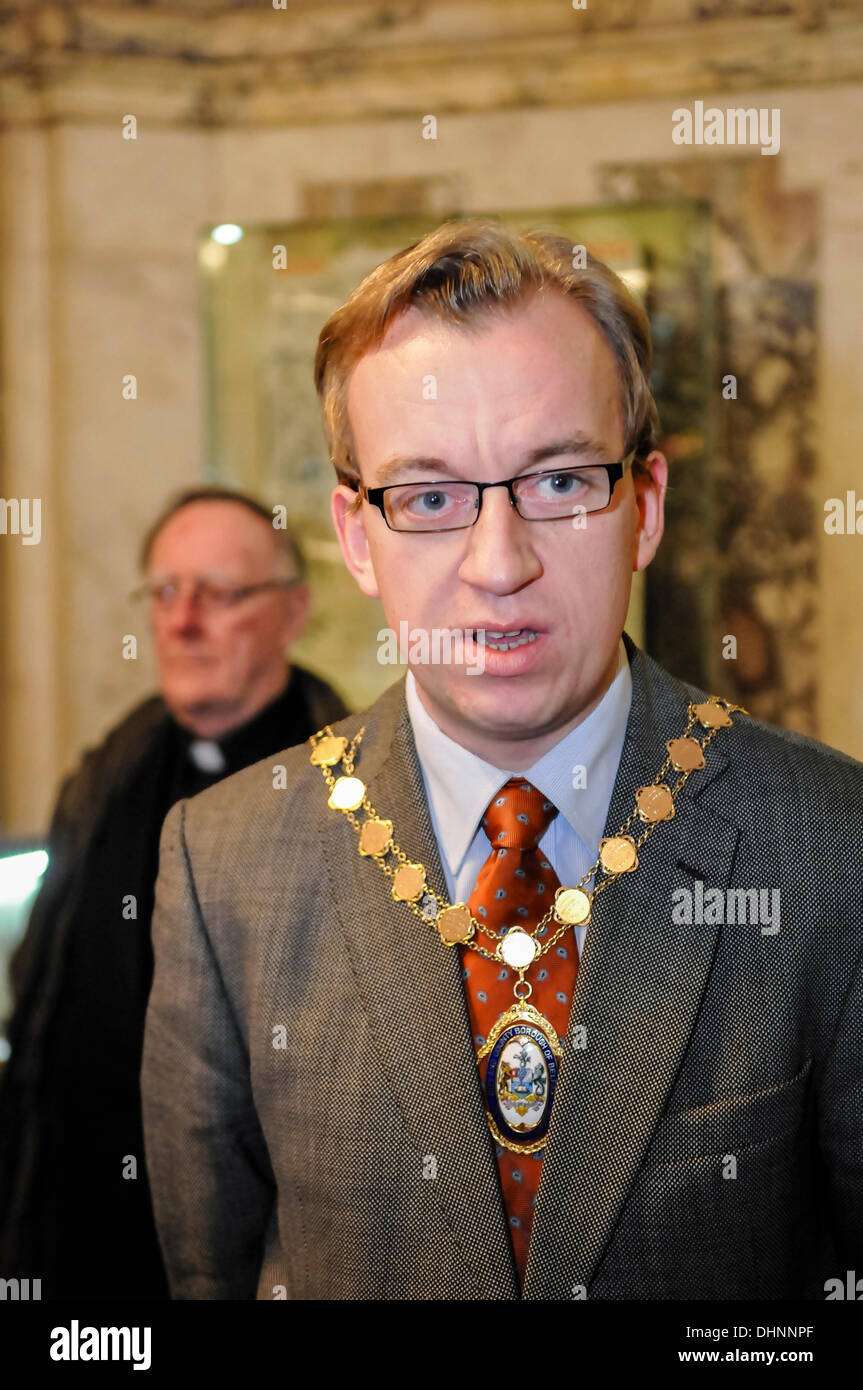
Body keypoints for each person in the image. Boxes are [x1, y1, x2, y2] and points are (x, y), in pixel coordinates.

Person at [141, 222, 863, 1300]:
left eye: (558, 481)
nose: (498, 564)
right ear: (353, 536)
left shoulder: (826, 844)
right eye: (428, 498)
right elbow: (210, 1271)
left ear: (643, 507)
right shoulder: (227, 862)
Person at [0, 486, 348, 1300]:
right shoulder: (106, 774)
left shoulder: (353, 794)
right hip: (81, 1233)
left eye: (219, 595)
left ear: (291, 613)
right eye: (165, 593)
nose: (183, 622)